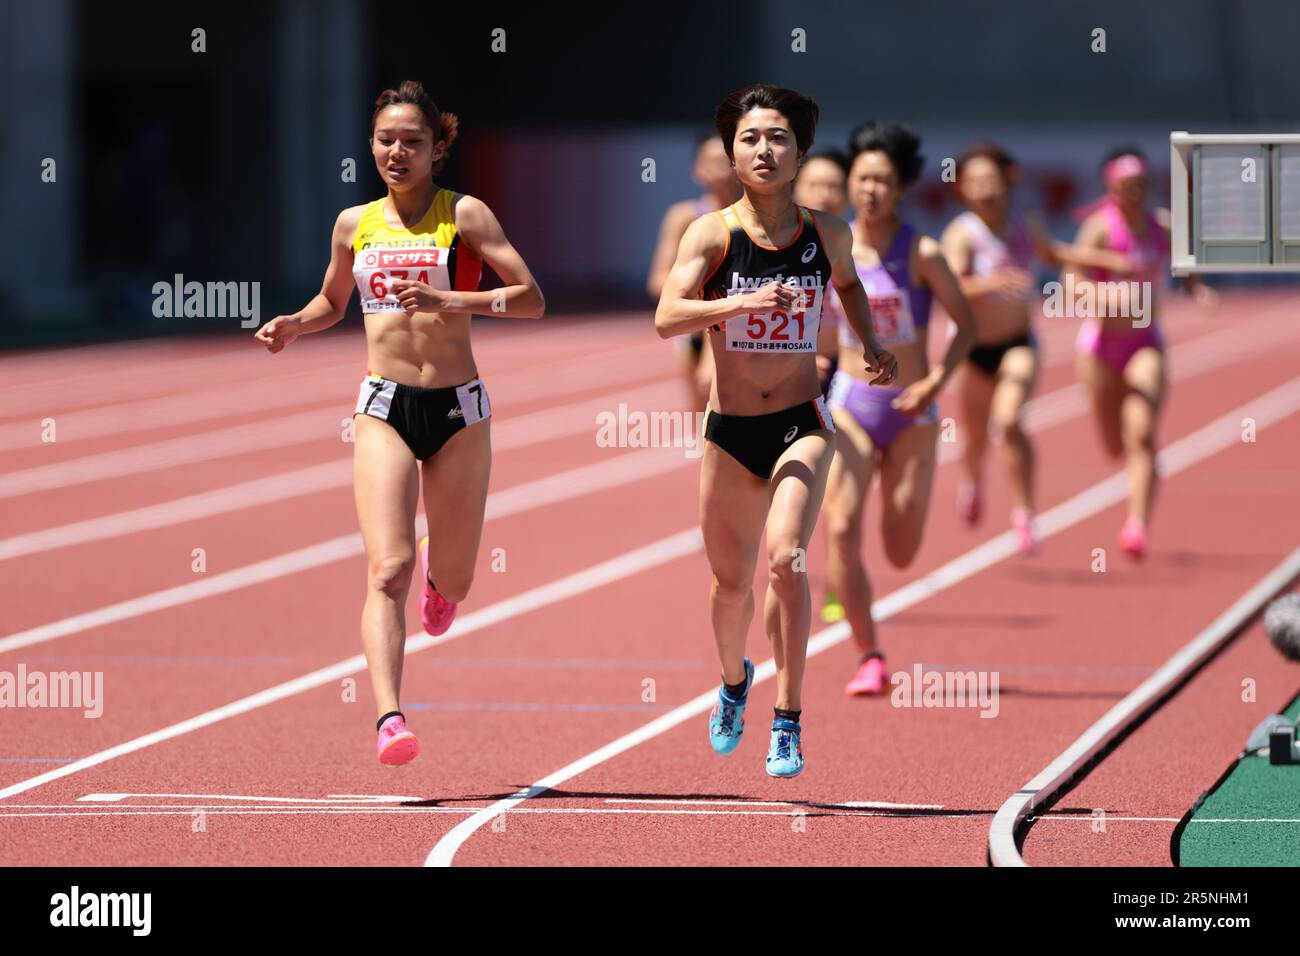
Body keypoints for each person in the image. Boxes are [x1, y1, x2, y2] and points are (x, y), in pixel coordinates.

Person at [254, 80, 544, 765]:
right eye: (386, 140)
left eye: (412, 141)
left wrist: (451, 300)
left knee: (456, 573)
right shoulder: (354, 224)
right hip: (383, 405)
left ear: (438, 149)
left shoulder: (465, 214)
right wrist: (297, 323)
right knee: (388, 568)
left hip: (457, 409)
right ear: (372, 146)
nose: (397, 152)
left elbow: (531, 300)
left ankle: (444, 593)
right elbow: (332, 301)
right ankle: (389, 716)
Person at [655, 84, 898, 777]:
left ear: (801, 152)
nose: (765, 149)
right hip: (730, 430)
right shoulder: (713, 233)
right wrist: (741, 302)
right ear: (732, 154)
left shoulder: (827, 231)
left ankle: (788, 718)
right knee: (729, 583)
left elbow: (847, 284)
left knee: (787, 559)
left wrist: (871, 343)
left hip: (800, 422)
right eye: (751, 138)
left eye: (779, 138)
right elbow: (668, 316)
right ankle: (735, 682)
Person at [820, 122, 976, 694]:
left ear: (901, 188)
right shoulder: (832, 247)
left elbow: (967, 325)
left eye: (883, 180)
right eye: (862, 178)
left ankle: (871, 641)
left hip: (911, 411)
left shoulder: (923, 252)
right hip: (851, 405)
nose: (871, 190)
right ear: (849, 183)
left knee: (901, 551)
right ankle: (870, 655)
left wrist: (936, 383)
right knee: (840, 527)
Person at [1066, 147, 1215, 558]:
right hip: (1099, 349)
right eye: (1126, 185)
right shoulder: (1099, 230)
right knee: (1114, 445)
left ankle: (1137, 525)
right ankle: (1133, 504)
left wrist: (1196, 289)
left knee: (1142, 434)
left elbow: (1186, 267)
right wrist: (1105, 296)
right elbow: (1071, 281)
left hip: (1144, 342)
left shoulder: (1161, 226)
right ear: (1111, 186)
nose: (1135, 192)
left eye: (1141, 185)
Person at [647, 132, 742, 409]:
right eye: (711, 163)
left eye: (726, 162)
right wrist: (706, 303)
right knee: (704, 416)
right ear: (696, 169)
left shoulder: (755, 218)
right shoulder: (684, 217)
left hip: (746, 329)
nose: (720, 172)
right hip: (697, 331)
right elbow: (658, 280)